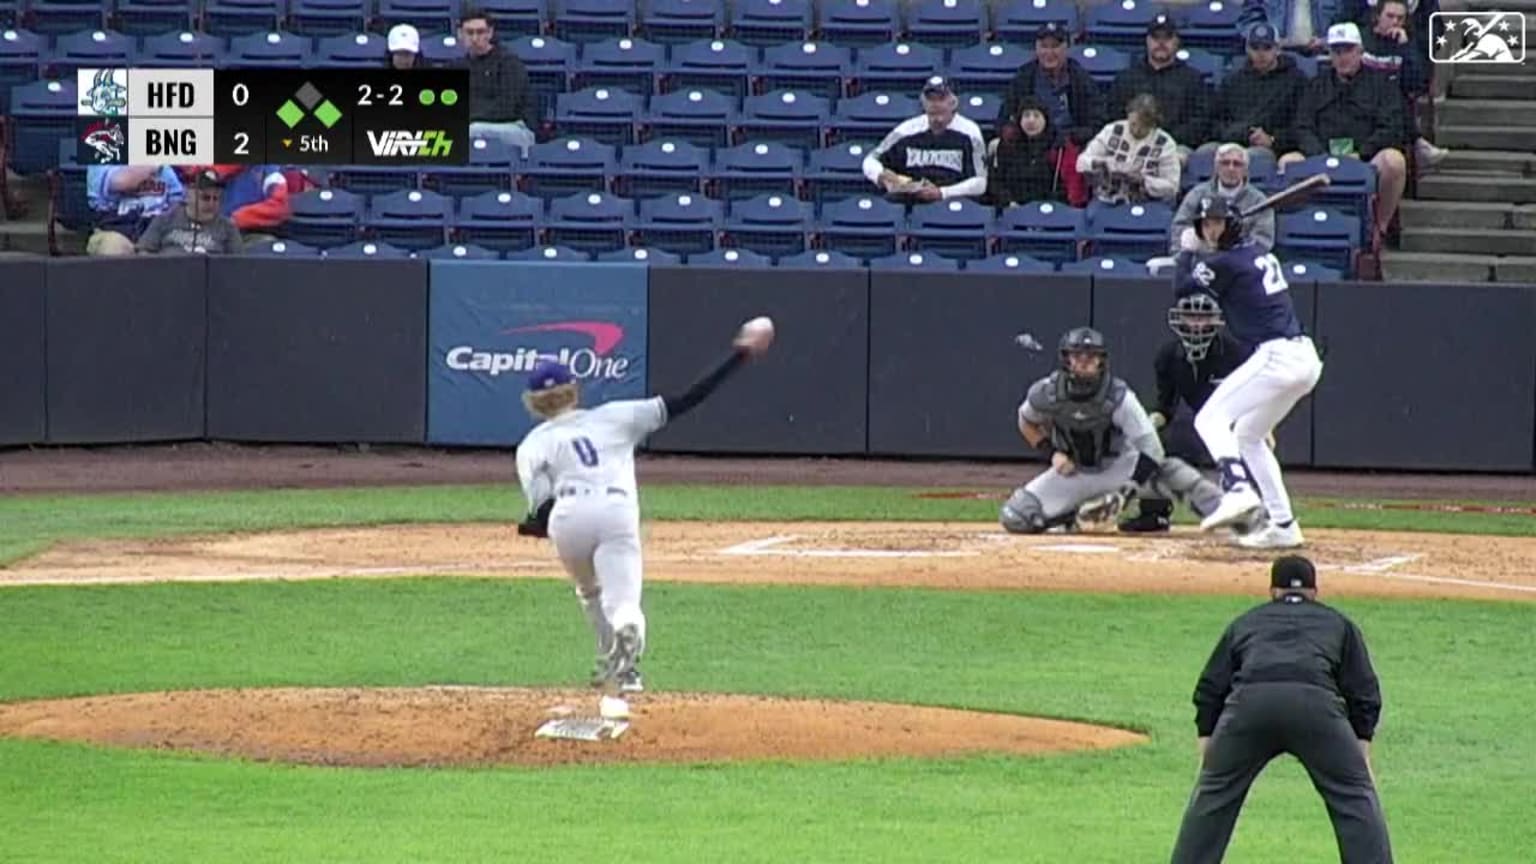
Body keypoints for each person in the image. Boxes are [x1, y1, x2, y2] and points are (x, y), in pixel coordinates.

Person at [515, 318, 775, 694]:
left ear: (534, 402)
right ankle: (627, 660)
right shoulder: (616, 416)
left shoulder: (532, 445)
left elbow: (542, 510)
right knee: (623, 601)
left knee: (589, 593)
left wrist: (534, 525)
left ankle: (613, 662)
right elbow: (688, 397)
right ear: (575, 390)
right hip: (615, 513)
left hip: (569, 518)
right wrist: (740, 354)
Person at [1169, 555, 1393, 864]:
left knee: (1212, 797)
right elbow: (1364, 692)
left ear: (1272, 590)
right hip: (1315, 708)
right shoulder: (1338, 623)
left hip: (1249, 707)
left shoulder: (1247, 621)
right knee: (1354, 795)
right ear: (1315, 593)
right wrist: (1361, 750)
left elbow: (1210, 688)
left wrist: (1210, 750)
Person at [1174, 196, 1323, 549]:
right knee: (1248, 436)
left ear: (1233, 224)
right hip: (1302, 358)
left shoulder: (1228, 262)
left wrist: (1186, 252)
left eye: (1217, 223)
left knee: (1209, 419)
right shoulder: (1253, 253)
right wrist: (1202, 250)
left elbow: (1181, 288)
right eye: (1205, 224)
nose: (1210, 230)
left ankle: (1238, 487)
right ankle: (1284, 524)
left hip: (1279, 354)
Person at [999, 327, 1224, 535]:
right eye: (1078, 357)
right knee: (1016, 516)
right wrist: (1051, 453)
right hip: (1073, 472)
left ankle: (1232, 515)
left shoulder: (1118, 396)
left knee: (1175, 473)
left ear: (1101, 361)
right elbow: (1026, 421)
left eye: (1091, 357)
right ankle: (1067, 516)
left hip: (1120, 469)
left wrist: (1127, 492)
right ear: (1067, 360)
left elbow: (1152, 449)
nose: (1085, 363)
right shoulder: (1047, 392)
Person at [1118, 294, 1271, 533]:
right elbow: (1165, 405)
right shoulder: (1168, 356)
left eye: (1203, 317)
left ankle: (1260, 513)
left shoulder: (1236, 353)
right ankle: (1154, 513)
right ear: (1180, 320)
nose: (1197, 324)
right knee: (1153, 445)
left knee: (1252, 445)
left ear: (1215, 320)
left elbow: (1256, 394)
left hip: (1232, 420)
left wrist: (1264, 425)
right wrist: (1150, 424)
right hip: (1199, 423)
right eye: (1191, 317)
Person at [1284, 22, 1409, 247]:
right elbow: (1301, 125)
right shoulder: (1315, 85)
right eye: (1337, 51)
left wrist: (1362, 153)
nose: (1343, 57)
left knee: (1394, 161)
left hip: (1363, 157)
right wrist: (1318, 155)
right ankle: (1299, 228)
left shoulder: (1381, 84)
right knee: (1288, 162)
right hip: (1320, 157)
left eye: (1348, 50)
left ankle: (1378, 228)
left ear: (1360, 51)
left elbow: (1392, 127)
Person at [995, 21, 1102, 206]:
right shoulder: (1024, 76)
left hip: (1067, 145)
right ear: (1036, 48)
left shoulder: (1079, 77)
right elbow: (1004, 118)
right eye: (1044, 46)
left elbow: (1097, 120)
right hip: (1029, 144)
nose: (1049, 53)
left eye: (1055, 46)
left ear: (1066, 48)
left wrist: (1073, 137)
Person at [863, 77, 988, 203]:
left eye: (941, 99)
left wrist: (942, 193)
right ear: (923, 102)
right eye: (930, 99)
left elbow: (980, 183)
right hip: (910, 200)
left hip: (950, 204)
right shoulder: (906, 130)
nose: (935, 104)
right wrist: (882, 176)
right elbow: (870, 160)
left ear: (953, 102)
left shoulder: (970, 133)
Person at [1107, 15, 1212, 164]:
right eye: (1156, 37)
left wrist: (1164, 139)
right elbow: (1114, 115)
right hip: (1132, 144)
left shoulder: (1192, 79)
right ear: (1147, 41)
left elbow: (1200, 121)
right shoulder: (1126, 78)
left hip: (1176, 146)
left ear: (1176, 41)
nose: (1161, 43)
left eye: (1167, 38)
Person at [1205, 23, 1306, 164]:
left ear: (1278, 49)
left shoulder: (1296, 80)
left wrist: (1272, 139)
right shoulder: (1233, 80)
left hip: (1272, 147)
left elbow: (1301, 125)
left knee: (1253, 157)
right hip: (1232, 141)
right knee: (1205, 153)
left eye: (1267, 48)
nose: (1261, 53)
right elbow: (1214, 122)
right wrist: (1241, 133)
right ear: (1247, 49)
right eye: (1255, 47)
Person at [1077, 93, 1182, 205]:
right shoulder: (1112, 131)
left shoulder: (1165, 144)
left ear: (1153, 124)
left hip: (1148, 203)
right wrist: (1100, 163)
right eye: (1133, 124)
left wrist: (1144, 181)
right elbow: (1081, 162)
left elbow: (1172, 186)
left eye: (1143, 127)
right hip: (1107, 199)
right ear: (1128, 116)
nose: (1136, 130)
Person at [459, 6, 537, 155]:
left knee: (471, 130)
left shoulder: (509, 63)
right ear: (460, 35)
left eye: (480, 32)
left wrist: (470, 118)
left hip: (514, 127)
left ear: (490, 33)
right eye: (469, 33)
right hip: (472, 124)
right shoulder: (457, 66)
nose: (475, 38)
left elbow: (506, 108)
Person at [1169, 144, 1274, 254]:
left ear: (1245, 170)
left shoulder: (1258, 200)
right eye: (1225, 163)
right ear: (1216, 167)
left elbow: (1263, 240)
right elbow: (1180, 227)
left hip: (1242, 263)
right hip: (1201, 259)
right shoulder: (1197, 194)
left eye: (1237, 164)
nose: (1231, 168)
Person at [987, 95, 1078, 207]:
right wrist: (1008, 202)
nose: (1031, 121)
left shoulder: (1059, 147)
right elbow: (996, 182)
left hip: (1050, 210)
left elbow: (1069, 187)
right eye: (1026, 115)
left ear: (1046, 119)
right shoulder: (1007, 144)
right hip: (1012, 209)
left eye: (1036, 116)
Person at [136, 168, 243, 254]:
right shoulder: (165, 220)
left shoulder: (228, 228)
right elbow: (144, 252)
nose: (211, 204)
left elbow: (237, 266)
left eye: (216, 199)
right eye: (205, 198)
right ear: (188, 196)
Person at [84, 164, 185, 256]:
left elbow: (178, 199)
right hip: (114, 230)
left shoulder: (165, 169)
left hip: (155, 231)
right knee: (114, 247)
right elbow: (121, 181)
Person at [1237, 0, 1347, 55]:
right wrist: (1268, 39)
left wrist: (1326, 41)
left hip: (1327, 56)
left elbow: (1352, 23)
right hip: (1277, 57)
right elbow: (1248, 21)